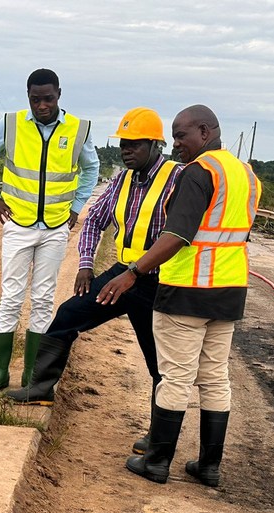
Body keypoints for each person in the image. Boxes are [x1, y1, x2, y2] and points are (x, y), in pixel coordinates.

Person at [100, 104, 261, 486]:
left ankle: (156, 462)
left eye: (181, 136)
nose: (176, 145)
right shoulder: (247, 175)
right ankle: (208, 468)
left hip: (188, 290)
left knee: (175, 377)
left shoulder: (198, 172)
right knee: (215, 377)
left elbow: (178, 235)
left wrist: (132, 272)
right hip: (229, 289)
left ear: (204, 132)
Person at [6, 107, 182, 454]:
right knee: (68, 316)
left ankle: (158, 437)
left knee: (158, 362)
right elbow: (93, 221)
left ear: (155, 144)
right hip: (122, 274)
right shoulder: (121, 180)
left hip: (156, 283)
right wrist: (85, 264)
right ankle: (41, 387)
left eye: (134, 144)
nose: (126, 150)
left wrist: (139, 273)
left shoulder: (177, 178)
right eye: (123, 144)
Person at [0, 68, 100, 394]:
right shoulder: (13, 123)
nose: (41, 105)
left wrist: (76, 208)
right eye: (35, 99)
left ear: (59, 94)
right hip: (18, 223)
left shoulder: (77, 129)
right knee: (11, 297)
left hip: (56, 226)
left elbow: (92, 168)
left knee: (44, 299)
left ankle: (33, 374)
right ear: (28, 96)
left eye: (48, 98)